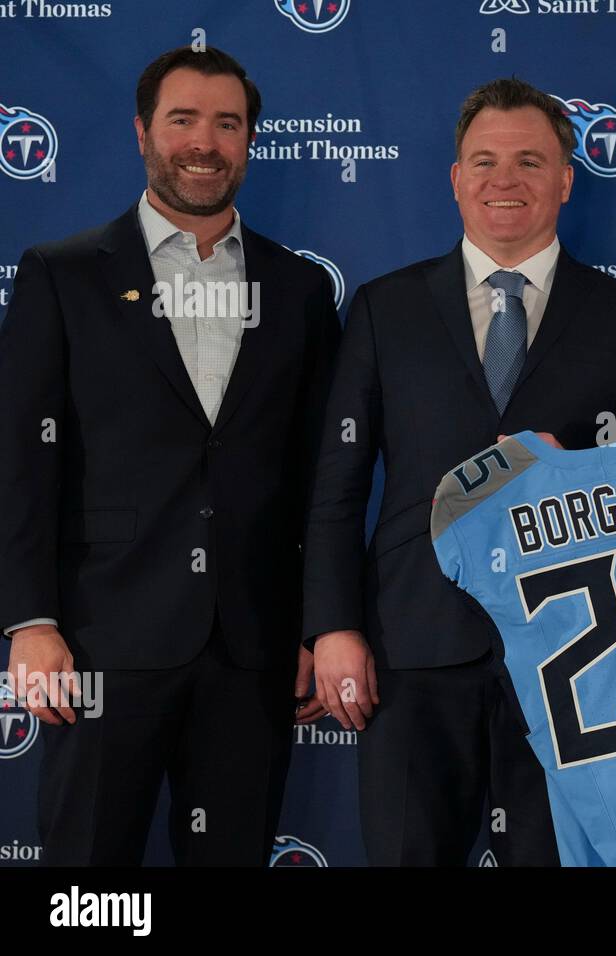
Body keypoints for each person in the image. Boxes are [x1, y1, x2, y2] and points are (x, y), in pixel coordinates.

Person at [303, 77, 616, 866]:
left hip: (578, 659)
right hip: (411, 647)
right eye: (485, 161)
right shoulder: (382, 308)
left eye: (530, 161)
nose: (505, 180)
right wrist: (334, 628)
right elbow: (336, 485)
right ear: (456, 178)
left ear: (566, 180)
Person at [0, 47, 339, 865]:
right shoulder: (64, 275)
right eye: (183, 119)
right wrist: (30, 622)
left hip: (252, 648)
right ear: (143, 132)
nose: (204, 142)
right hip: (96, 642)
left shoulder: (297, 290)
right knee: (85, 882)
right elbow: (19, 460)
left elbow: (319, 480)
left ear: (251, 141)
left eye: (227, 124)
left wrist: (317, 623)